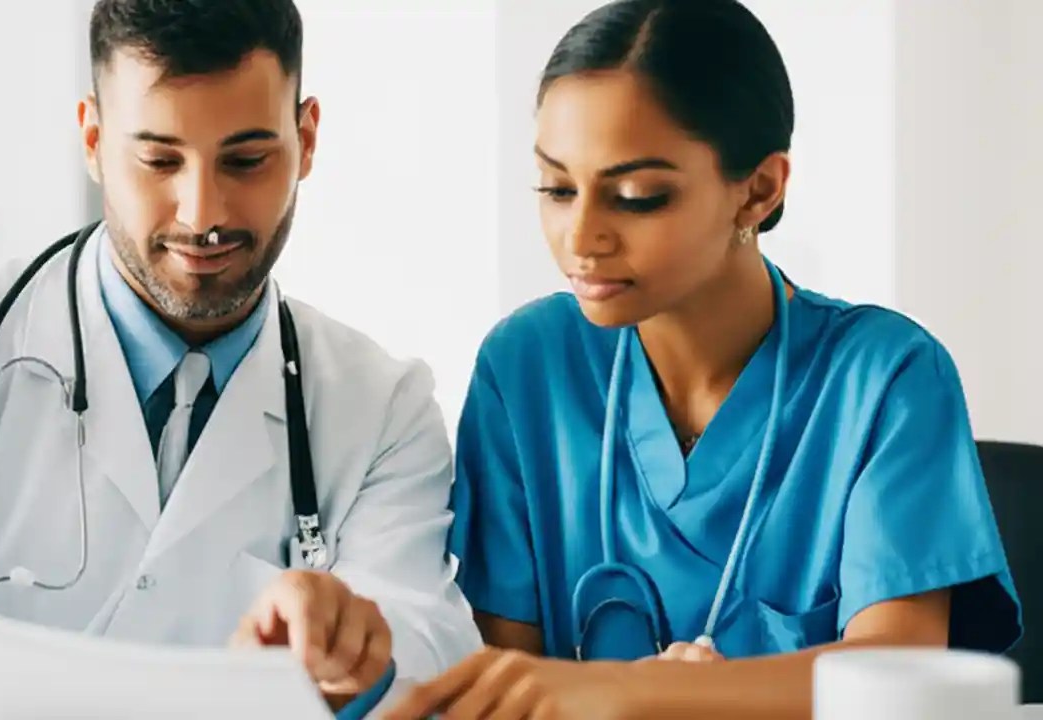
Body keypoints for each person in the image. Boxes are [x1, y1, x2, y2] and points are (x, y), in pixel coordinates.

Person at [0, 1, 480, 718]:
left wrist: (351, 647)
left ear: (308, 137)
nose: (201, 214)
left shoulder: (382, 410)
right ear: (94, 137)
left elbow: (421, 666)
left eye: (247, 160)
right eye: (159, 159)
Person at [384, 0, 1022, 718]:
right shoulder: (526, 367)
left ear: (759, 190)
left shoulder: (886, 377)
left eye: (637, 196)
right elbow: (503, 681)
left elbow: (899, 670)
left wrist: (648, 691)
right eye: (557, 189)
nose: (581, 236)